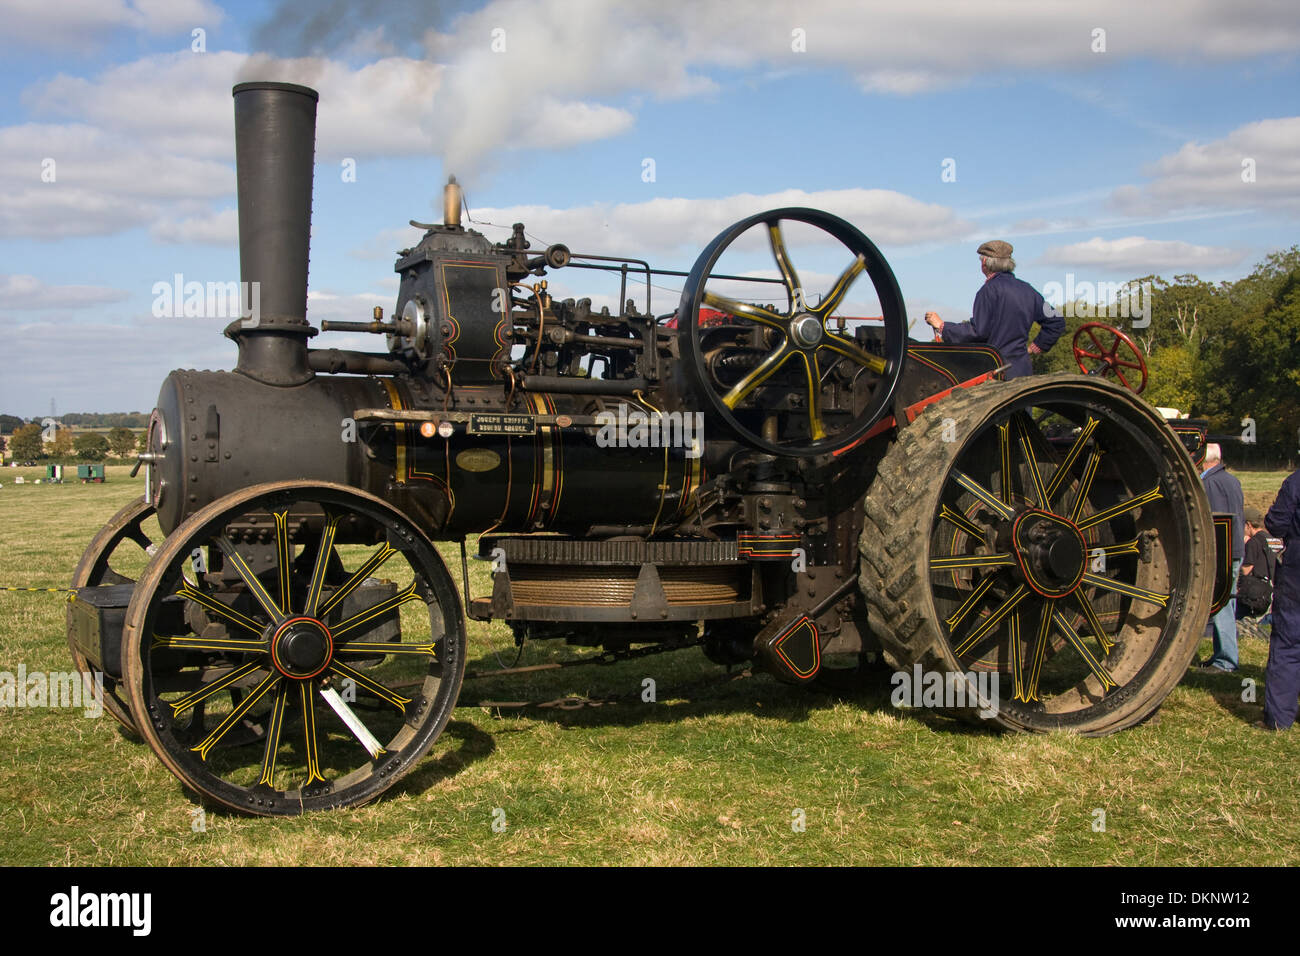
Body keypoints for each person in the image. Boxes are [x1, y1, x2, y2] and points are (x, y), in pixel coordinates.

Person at [922, 240, 1065, 378]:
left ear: (985, 263)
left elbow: (978, 332)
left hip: (994, 371)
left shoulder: (988, 291)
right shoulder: (1028, 290)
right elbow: (1056, 321)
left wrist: (942, 326)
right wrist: (1034, 348)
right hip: (1022, 371)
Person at [1198, 444, 1244, 671]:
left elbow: (1214, 524)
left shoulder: (1209, 483)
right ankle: (1222, 655)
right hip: (1234, 549)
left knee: (1221, 605)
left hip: (1222, 552)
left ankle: (1226, 660)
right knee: (1226, 604)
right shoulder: (1232, 480)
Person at [1262, 469, 1300, 730]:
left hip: (1296, 569)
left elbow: (1276, 523)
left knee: (1288, 644)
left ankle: (1279, 719)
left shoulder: (1296, 481)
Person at [1237, 507, 1276, 632]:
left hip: (1256, 595)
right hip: (1273, 589)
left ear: (1248, 525)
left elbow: (1246, 570)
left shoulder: (1253, 542)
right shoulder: (1274, 540)